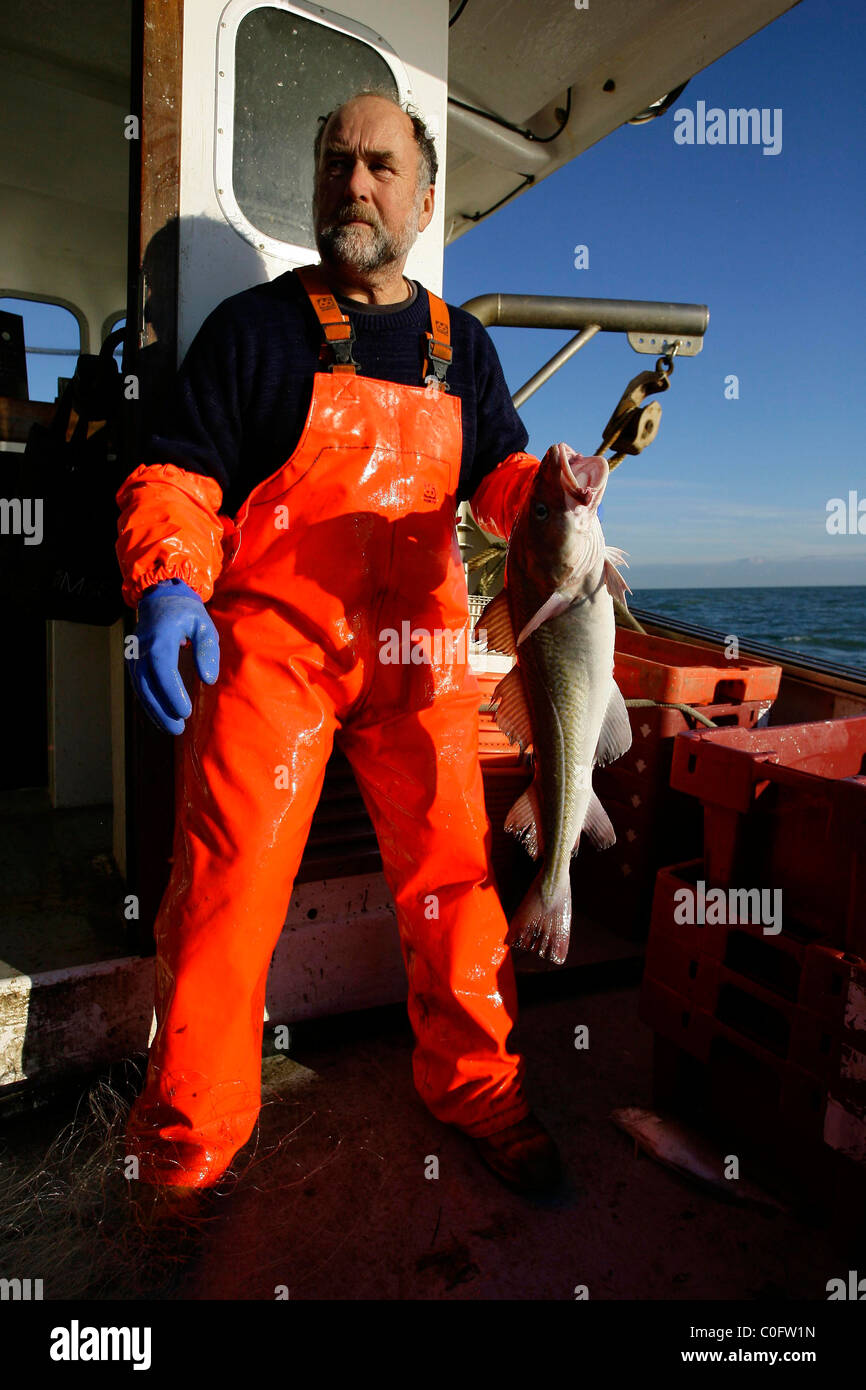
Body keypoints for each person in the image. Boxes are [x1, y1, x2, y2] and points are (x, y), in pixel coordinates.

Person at [115, 89, 562, 1199]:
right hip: (271, 653)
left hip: (417, 657)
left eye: (375, 165)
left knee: (456, 876)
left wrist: (547, 496)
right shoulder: (255, 331)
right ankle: (188, 1153)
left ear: (420, 193)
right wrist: (169, 581)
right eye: (333, 163)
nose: (351, 184)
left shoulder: (464, 348)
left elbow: (496, 479)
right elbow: (180, 475)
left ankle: (480, 1090)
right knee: (226, 900)